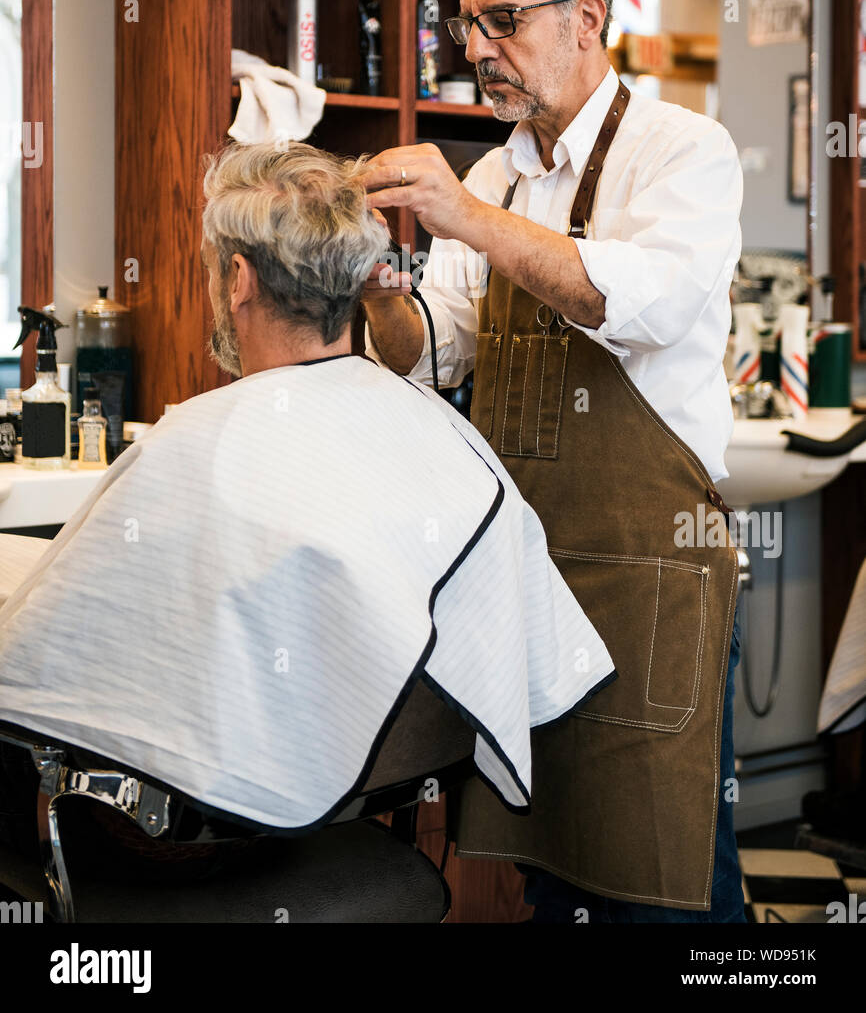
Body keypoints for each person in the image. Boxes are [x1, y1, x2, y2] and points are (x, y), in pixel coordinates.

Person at [0, 142, 614, 875]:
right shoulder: (439, 431)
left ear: (237, 279)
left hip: (208, 858)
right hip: (370, 842)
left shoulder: (196, 438)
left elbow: (40, 650)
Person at [361, 0, 746, 922]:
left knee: (664, 889)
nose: (478, 50)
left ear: (586, 17)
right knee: (554, 881)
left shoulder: (682, 150)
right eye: (464, 26)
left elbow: (625, 300)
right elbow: (431, 355)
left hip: (648, 584)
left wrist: (463, 215)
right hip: (529, 581)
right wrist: (370, 283)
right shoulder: (495, 173)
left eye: (501, 21)